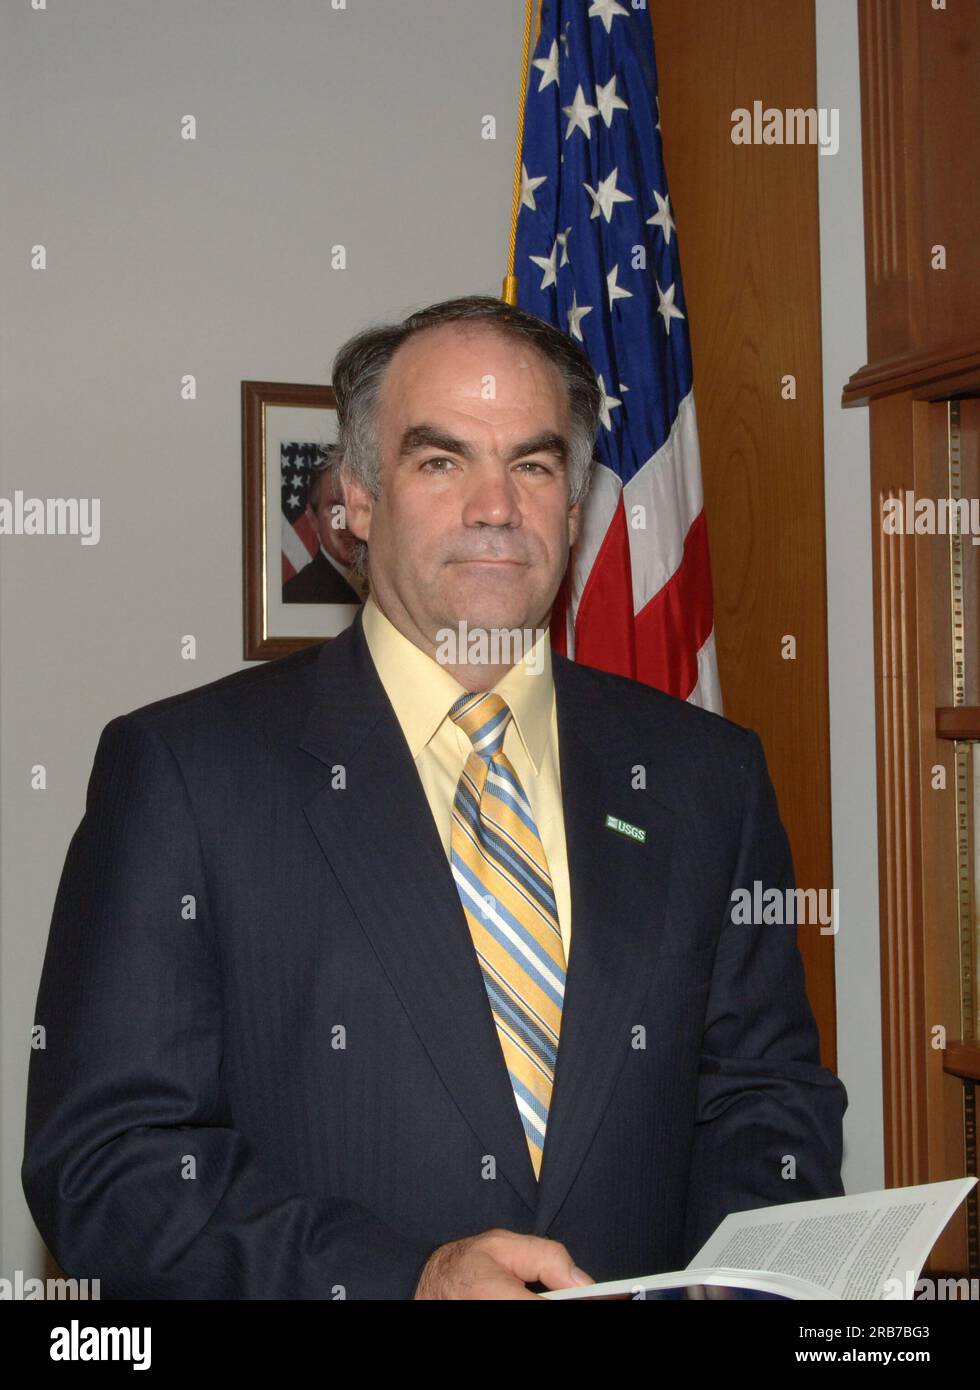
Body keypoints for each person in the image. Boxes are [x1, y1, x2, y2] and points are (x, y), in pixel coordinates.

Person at [22, 295, 847, 1300]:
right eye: (441, 460)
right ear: (358, 500)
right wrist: (402, 1281)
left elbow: (764, 1100)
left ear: (574, 504)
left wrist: (739, 1277)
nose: (495, 506)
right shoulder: (186, 773)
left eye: (533, 464)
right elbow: (107, 1165)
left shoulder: (703, 775)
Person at [282, 447, 363, 605]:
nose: (347, 520)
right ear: (313, 518)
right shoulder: (297, 594)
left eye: (359, 506)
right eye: (335, 507)